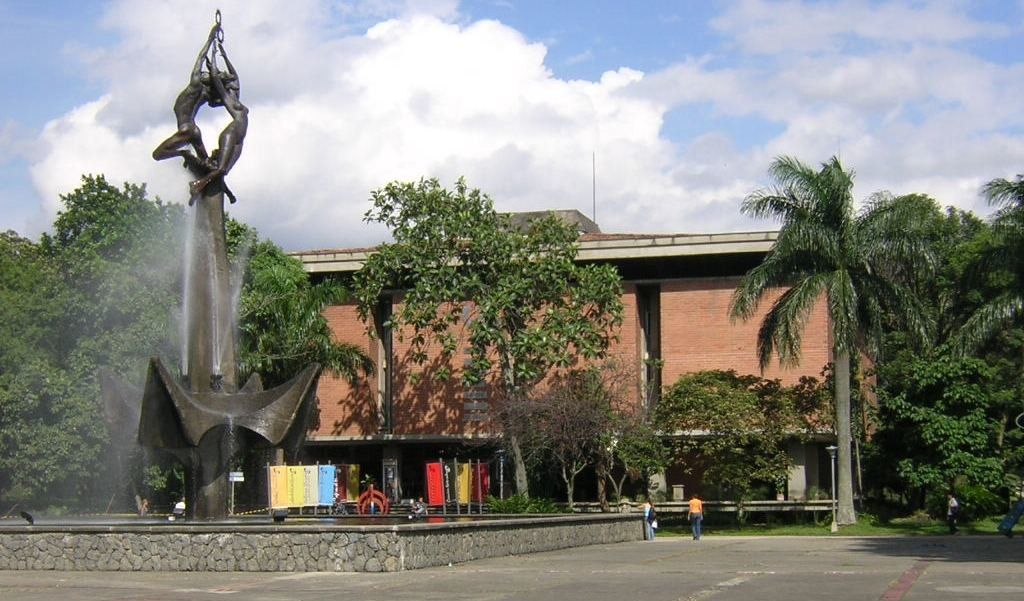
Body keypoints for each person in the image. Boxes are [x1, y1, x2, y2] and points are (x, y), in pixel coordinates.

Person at [152, 24, 220, 165]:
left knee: (157, 155)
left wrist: (210, 38)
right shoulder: (206, 94)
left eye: (206, 74)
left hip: (186, 129)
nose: (203, 73)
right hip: (194, 130)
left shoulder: (195, 85)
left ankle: (184, 153)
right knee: (206, 163)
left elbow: (200, 58)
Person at [189, 41, 248, 201]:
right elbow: (215, 76)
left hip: (239, 139)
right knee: (221, 168)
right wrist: (214, 55)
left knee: (224, 170)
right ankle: (198, 185)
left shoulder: (235, 95)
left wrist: (224, 53)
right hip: (231, 133)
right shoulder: (228, 98)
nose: (232, 81)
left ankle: (224, 191)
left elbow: (235, 77)